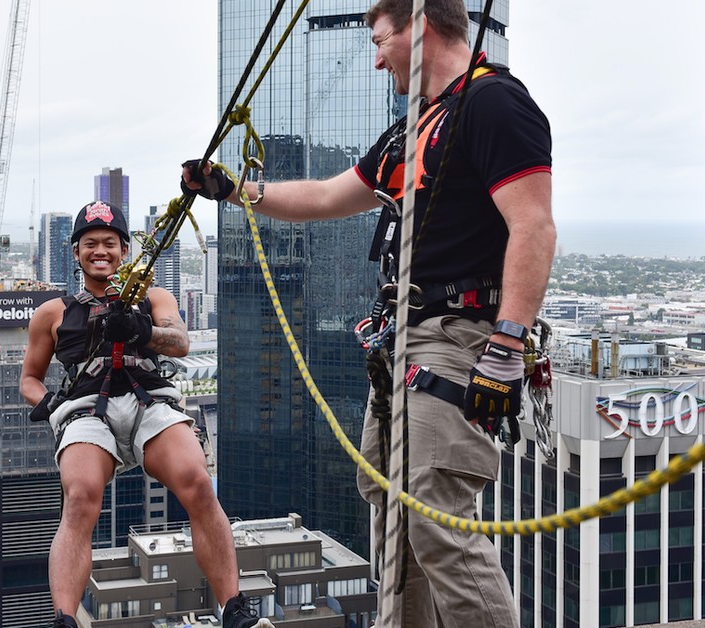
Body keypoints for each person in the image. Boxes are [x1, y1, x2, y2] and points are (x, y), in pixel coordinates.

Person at [183, 0, 554, 625]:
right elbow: (329, 195)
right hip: (404, 347)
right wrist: (237, 190)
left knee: (437, 524)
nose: (377, 58)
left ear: (421, 25)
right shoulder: (415, 126)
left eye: (382, 40)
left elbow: (534, 227)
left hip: (454, 339)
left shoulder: (493, 104)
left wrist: (506, 346)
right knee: (393, 518)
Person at [20, 201, 273, 628]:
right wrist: (47, 404)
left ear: (124, 250)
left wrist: (142, 331)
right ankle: (64, 618)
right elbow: (30, 378)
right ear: (76, 251)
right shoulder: (53, 313)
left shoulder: (153, 297)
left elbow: (179, 342)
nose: (100, 251)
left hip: (149, 400)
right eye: (90, 244)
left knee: (197, 482)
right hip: (86, 409)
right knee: (80, 498)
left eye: (110, 244)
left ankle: (234, 608)